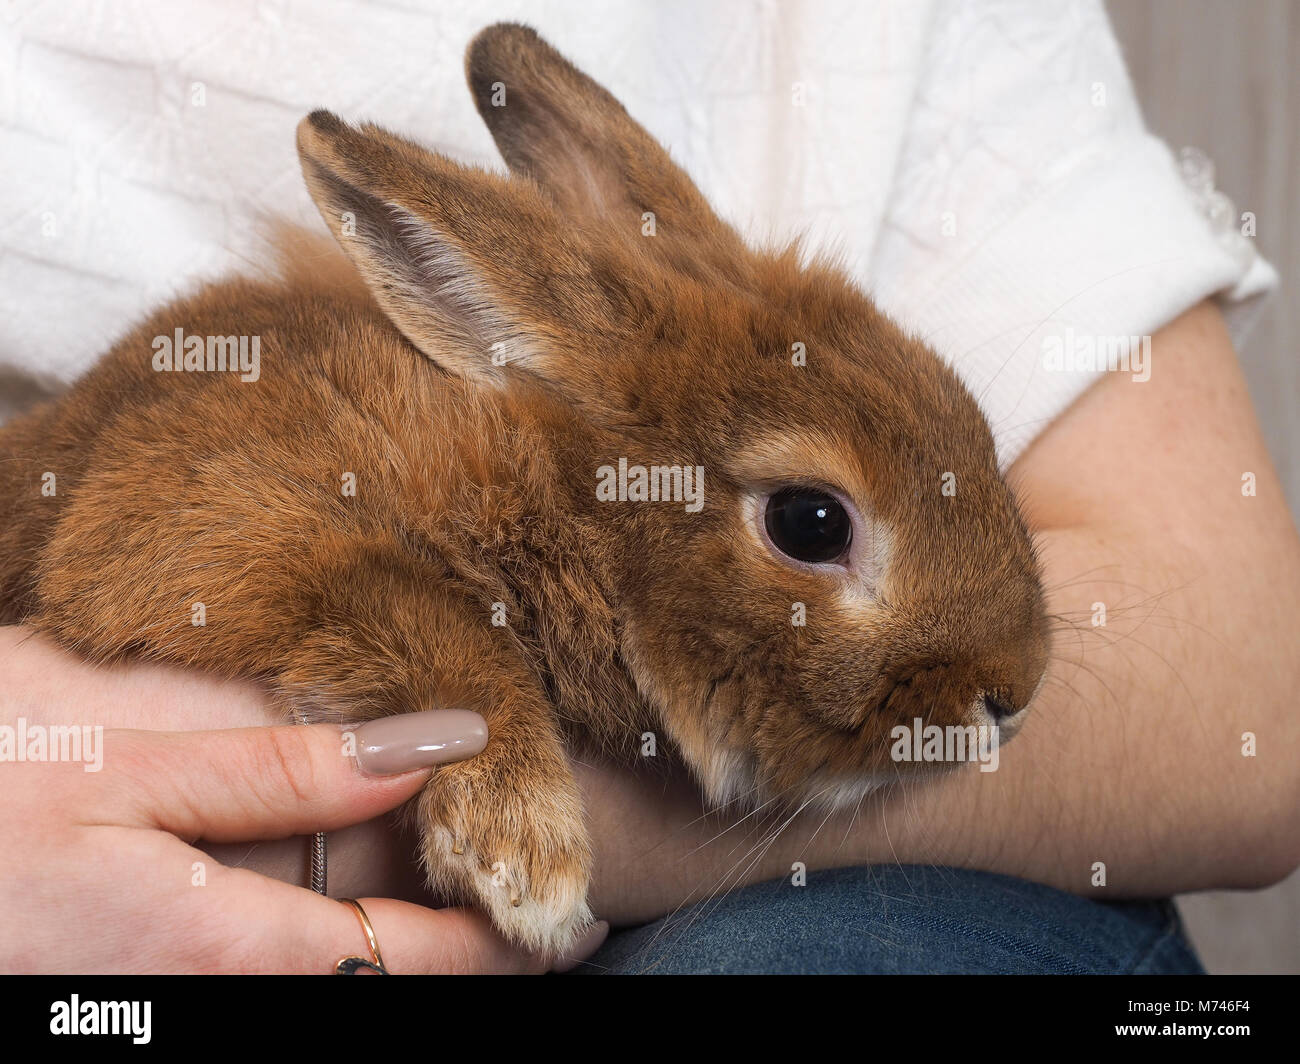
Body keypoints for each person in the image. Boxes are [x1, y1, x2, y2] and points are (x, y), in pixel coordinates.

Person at [1, 1, 1297, 973]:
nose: (1005, 694)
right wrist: (459, 702)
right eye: (808, 527)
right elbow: (179, 535)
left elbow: (1254, 709)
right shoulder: (390, 426)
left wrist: (336, 830)